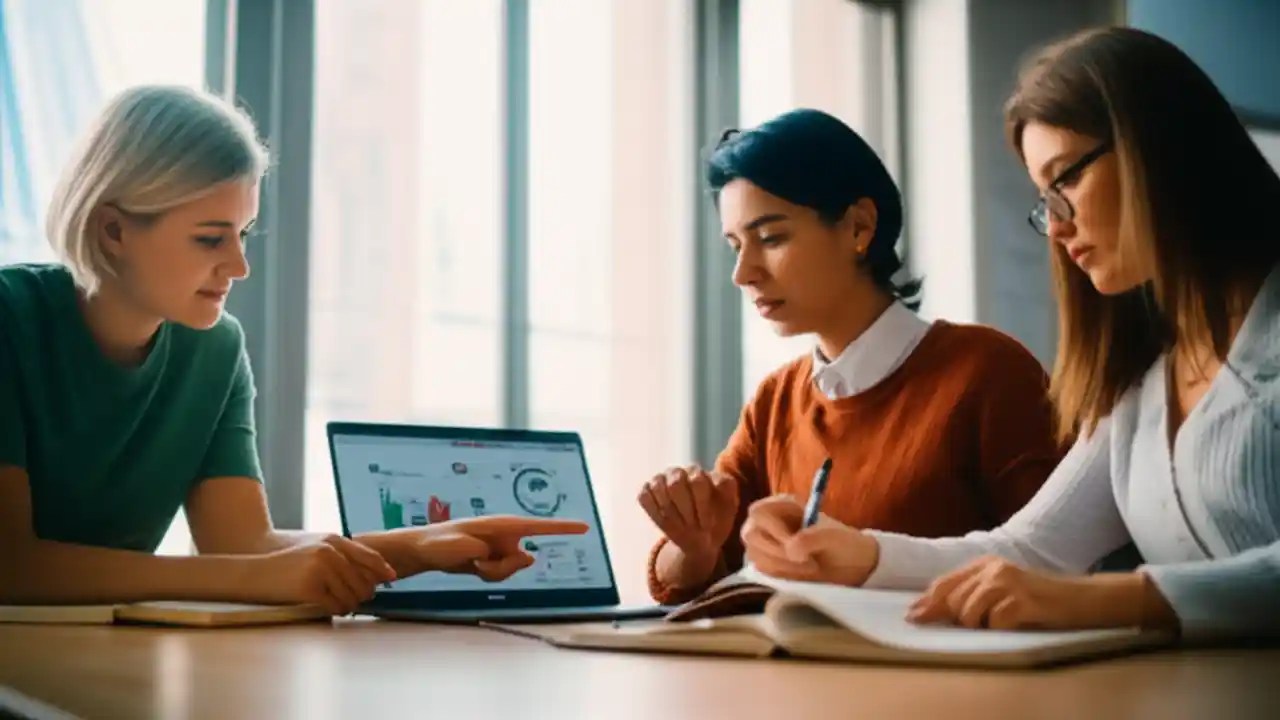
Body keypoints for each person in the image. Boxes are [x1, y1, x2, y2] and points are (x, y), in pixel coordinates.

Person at [741, 27, 1280, 639]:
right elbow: (1030, 548)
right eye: (1044, 198)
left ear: (1155, 147)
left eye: (1066, 179)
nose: (1057, 226)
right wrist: (858, 553)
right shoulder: (1141, 383)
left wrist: (1120, 600)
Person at [0, 85, 587, 614]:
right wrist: (251, 579)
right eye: (210, 239)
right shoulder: (10, 318)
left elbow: (244, 545)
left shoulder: (215, 348)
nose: (239, 266)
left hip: (100, 651)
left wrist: (421, 548)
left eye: (242, 234)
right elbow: (12, 564)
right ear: (114, 231)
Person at [639, 108, 1064, 605]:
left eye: (771, 238)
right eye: (735, 246)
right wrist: (694, 545)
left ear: (859, 226)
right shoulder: (775, 401)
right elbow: (686, 579)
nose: (743, 273)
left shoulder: (990, 372)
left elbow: (1055, 563)